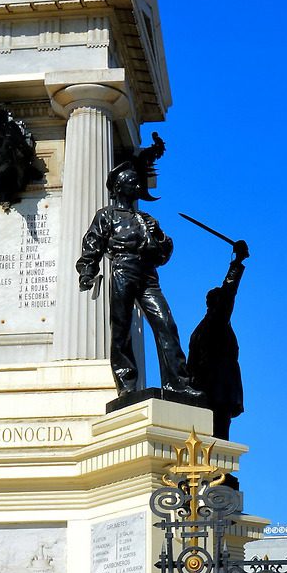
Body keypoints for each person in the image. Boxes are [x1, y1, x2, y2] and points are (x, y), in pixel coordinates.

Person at [77, 162, 195, 397]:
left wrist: (158, 234)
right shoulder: (107, 215)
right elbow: (93, 244)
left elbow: (163, 255)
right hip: (123, 269)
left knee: (166, 324)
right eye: (133, 182)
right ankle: (127, 384)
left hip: (148, 274)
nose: (138, 186)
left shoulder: (146, 218)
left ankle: (177, 383)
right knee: (121, 328)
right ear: (119, 187)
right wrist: (87, 271)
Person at [186, 242, 249, 439]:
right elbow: (229, 290)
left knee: (215, 432)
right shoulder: (213, 323)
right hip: (214, 386)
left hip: (211, 388)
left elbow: (189, 367)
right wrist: (236, 262)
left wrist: (236, 262)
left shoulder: (203, 328)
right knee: (216, 432)